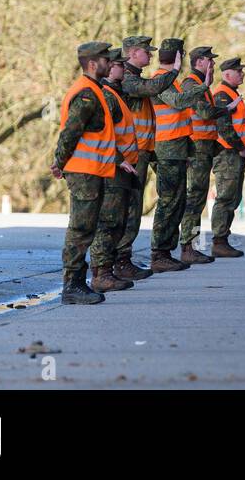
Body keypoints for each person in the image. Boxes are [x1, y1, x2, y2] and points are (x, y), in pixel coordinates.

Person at [52, 42, 118, 305]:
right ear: (93, 64)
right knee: (80, 229)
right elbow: (70, 132)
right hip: (84, 172)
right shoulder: (87, 94)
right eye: (105, 59)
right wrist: (60, 160)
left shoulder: (94, 90)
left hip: (91, 171)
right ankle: (72, 285)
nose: (110, 63)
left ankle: (76, 284)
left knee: (86, 229)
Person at [149, 38, 220, 271]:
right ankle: (166, 252)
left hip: (180, 149)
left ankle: (173, 250)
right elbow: (181, 104)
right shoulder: (163, 81)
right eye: (209, 60)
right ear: (179, 57)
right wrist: (205, 86)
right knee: (171, 203)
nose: (212, 64)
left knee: (179, 203)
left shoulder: (174, 82)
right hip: (167, 149)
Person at [115, 35, 176, 279]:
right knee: (129, 208)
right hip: (132, 151)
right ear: (132, 53)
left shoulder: (133, 78)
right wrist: (174, 71)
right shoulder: (128, 80)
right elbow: (153, 88)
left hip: (142, 149)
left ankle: (122, 260)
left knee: (134, 206)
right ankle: (120, 261)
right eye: (145, 52)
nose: (150, 55)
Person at [177, 46, 240, 265]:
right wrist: (227, 109)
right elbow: (203, 113)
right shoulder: (191, 85)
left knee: (198, 200)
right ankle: (188, 246)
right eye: (210, 61)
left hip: (203, 149)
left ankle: (191, 246)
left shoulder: (200, 86)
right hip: (196, 149)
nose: (213, 65)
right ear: (200, 62)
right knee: (194, 199)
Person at [86, 48, 139, 292]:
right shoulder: (107, 95)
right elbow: (101, 133)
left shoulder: (116, 94)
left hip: (123, 167)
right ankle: (101, 273)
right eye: (120, 65)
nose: (123, 69)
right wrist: (119, 159)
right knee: (108, 223)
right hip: (113, 167)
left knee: (117, 222)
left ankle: (107, 270)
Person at [210, 57, 245, 258]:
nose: (242, 74)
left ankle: (222, 240)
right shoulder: (222, 95)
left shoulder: (230, 93)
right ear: (227, 74)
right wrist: (240, 148)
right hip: (228, 153)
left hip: (234, 153)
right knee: (226, 198)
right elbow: (224, 127)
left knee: (233, 198)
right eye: (239, 71)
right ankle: (219, 241)